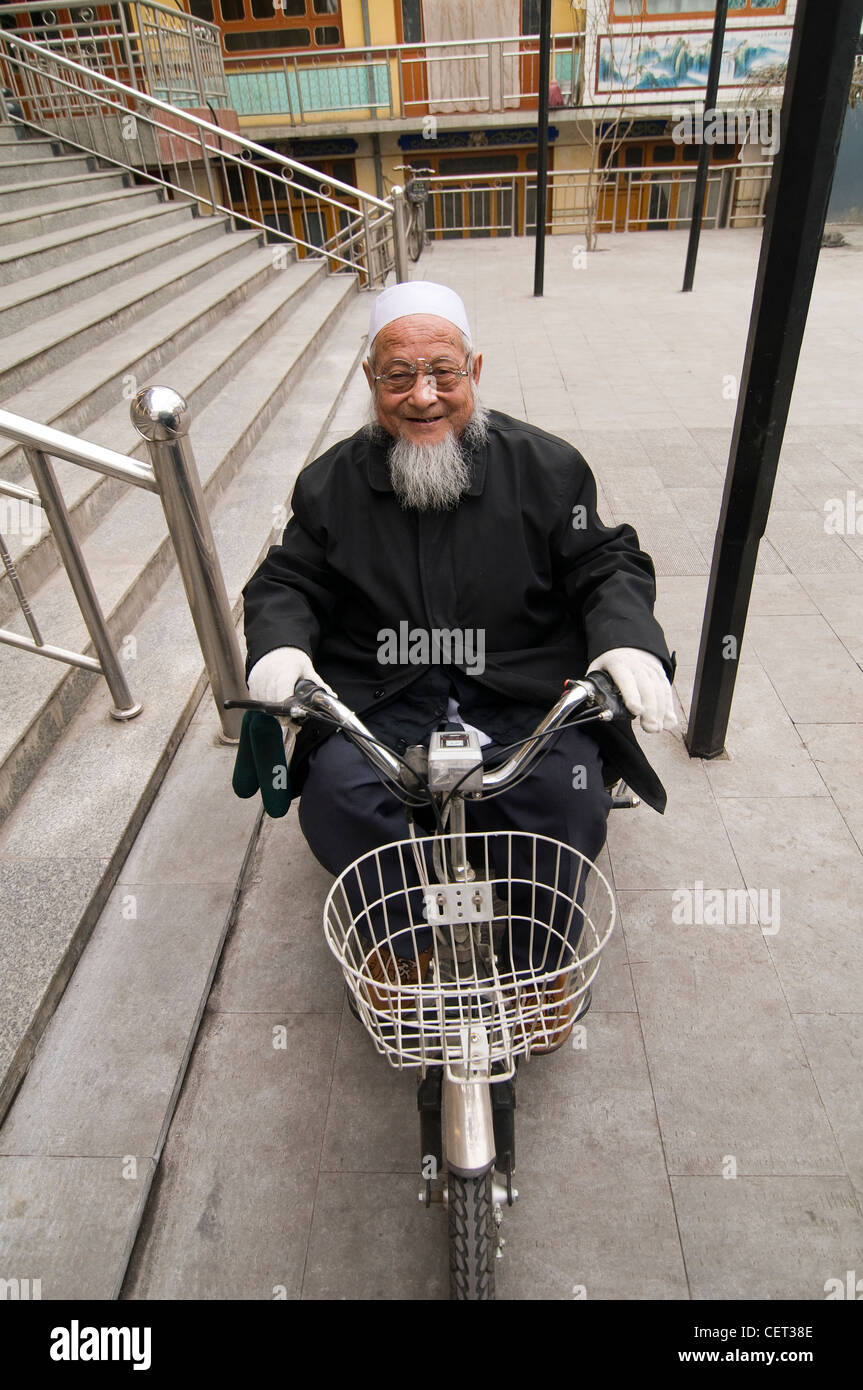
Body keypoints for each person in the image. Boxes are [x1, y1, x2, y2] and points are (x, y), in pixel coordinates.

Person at [242, 281, 676, 1048]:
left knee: (563, 798)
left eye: (444, 372)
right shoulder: (329, 484)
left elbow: (604, 563)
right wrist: (280, 643)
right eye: (398, 375)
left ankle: (537, 966)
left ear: (474, 368)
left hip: (518, 681)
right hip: (382, 688)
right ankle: (397, 949)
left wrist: (627, 637)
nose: (423, 396)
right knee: (339, 794)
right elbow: (290, 578)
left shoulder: (546, 467)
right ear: (370, 379)